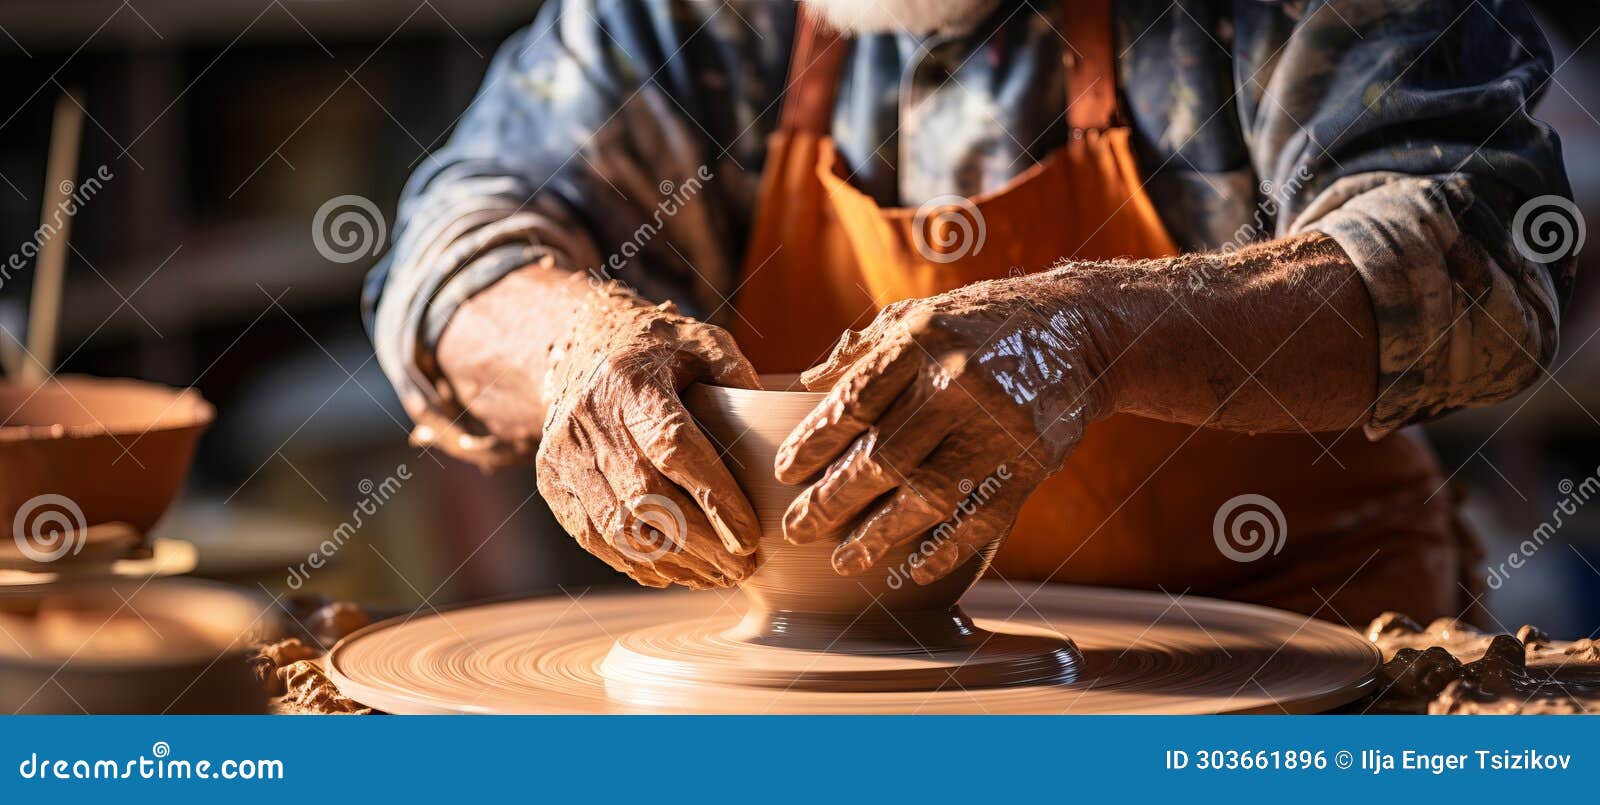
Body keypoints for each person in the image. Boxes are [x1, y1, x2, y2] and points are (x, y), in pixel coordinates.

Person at [365, 0, 1574, 624]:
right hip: (847, 719)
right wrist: (573, 347)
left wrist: (1095, 332)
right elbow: (456, 240)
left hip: (1277, 675)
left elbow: (1482, 248)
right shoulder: (711, 16)